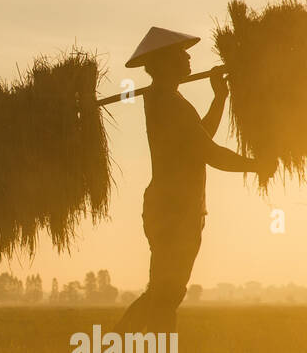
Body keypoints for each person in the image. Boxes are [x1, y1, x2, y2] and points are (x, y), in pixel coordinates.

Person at [116, 27, 277, 333]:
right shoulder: (168, 103)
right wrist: (256, 165)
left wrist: (219, 98)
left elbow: (199, 140)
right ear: (164, 63)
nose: (189, 58)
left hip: (179, 209)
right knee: (166, 295)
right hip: (174, 212)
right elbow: (210, 153)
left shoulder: (167, 99)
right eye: (181, 54)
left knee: (165, 294)